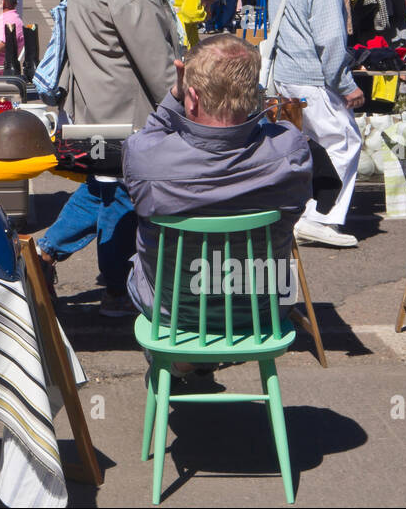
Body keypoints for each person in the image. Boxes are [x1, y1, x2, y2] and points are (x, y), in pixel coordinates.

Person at [123, 35, 313, 344]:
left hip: (173, 312)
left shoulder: (146, 156)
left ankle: (179, 364)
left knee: (140, 259)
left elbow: (148, 136)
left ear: (192, 97)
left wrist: (175, 93)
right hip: (263, 308)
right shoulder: (290, 150)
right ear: (254, 95)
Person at [37, 0, 179, 317]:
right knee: (122, 196)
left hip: (91, 109)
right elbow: (158, 66)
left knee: (102, 187)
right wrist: (188, 107)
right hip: (127, 115)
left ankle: (45, 253)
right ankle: (117, 289)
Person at [268, 0, 365, 248]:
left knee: (307, 145)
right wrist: (347, 84)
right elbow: (330, 41)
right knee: (345, 141)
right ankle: (320, 217)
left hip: (284, 75)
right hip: (312, 78)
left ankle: (303, 211)